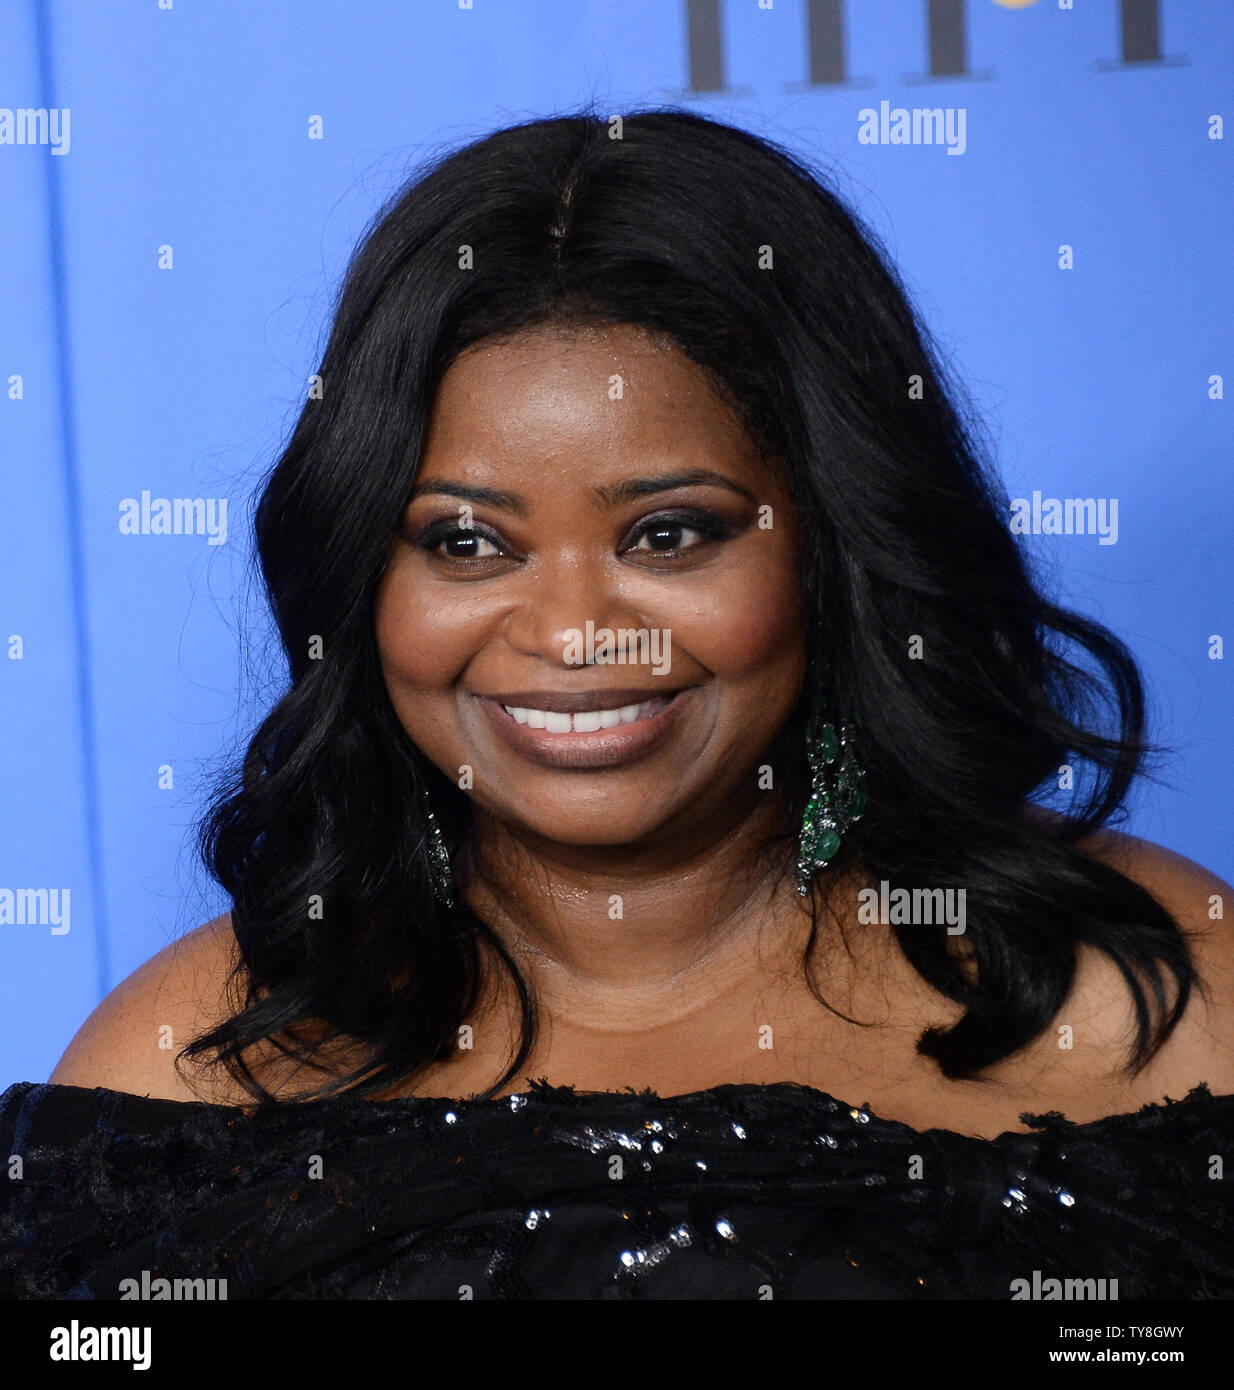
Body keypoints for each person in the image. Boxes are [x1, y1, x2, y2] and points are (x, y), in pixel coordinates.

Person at [2, 108, 1232, 1300]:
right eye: (468, 542)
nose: (571, 630)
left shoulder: (1161, 991)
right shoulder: (182, 1076)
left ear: (832, 546)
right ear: (362, 576)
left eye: (668, 532)